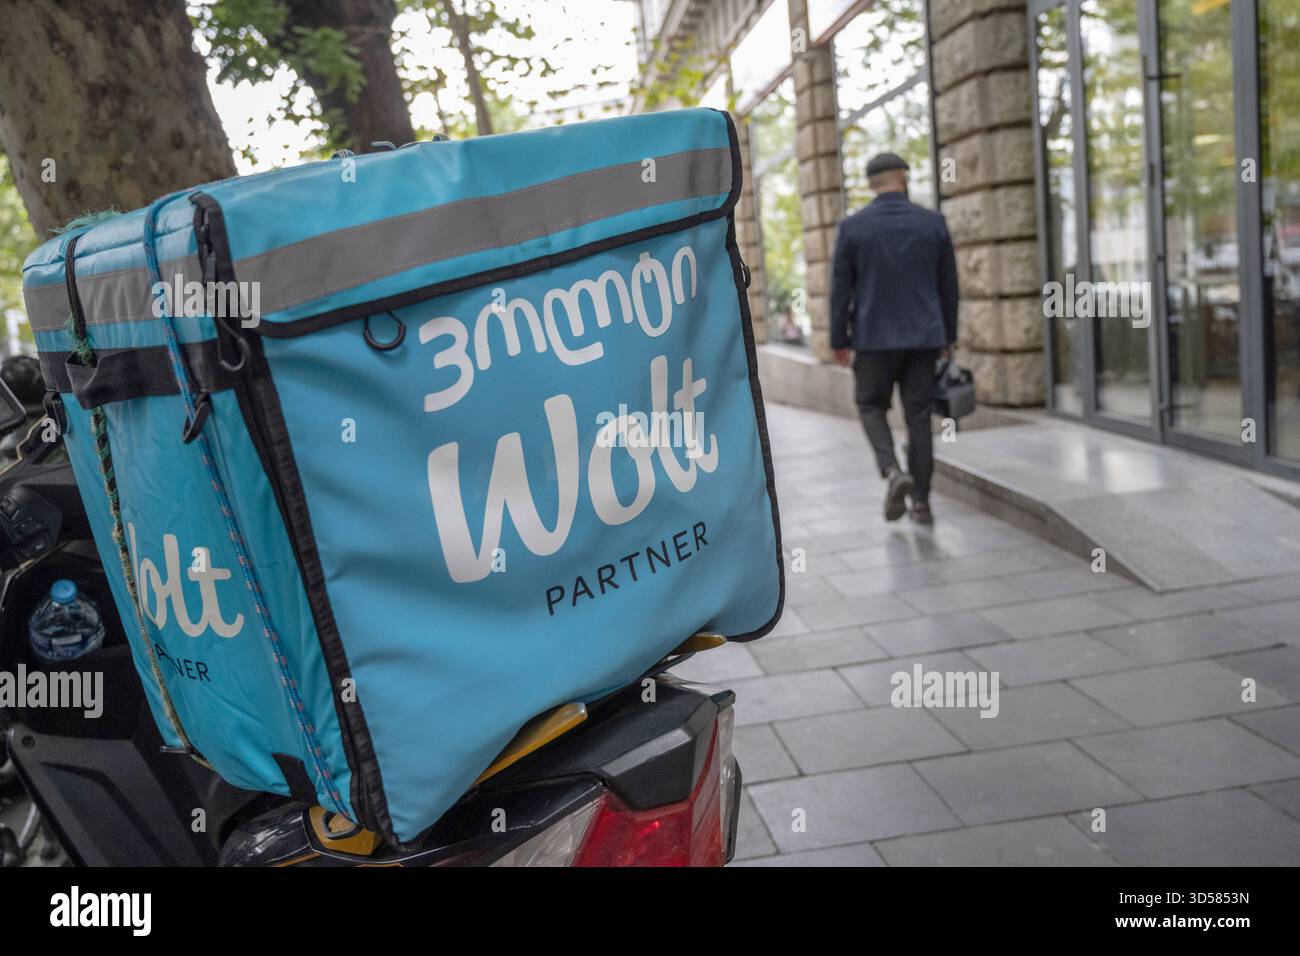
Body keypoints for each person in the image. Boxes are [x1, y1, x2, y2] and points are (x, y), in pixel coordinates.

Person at [830, 152, 959, 525]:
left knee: (871, 406)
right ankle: (921, 502)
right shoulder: (932, 223)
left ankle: (891, 470)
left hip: (872, 338)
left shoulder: (853, 228)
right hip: (923, 339)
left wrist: (840, 340)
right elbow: (948, 285)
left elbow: (841, 290)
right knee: (919, 418)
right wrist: (948, 335)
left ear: (872, 184)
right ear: (903, 175)